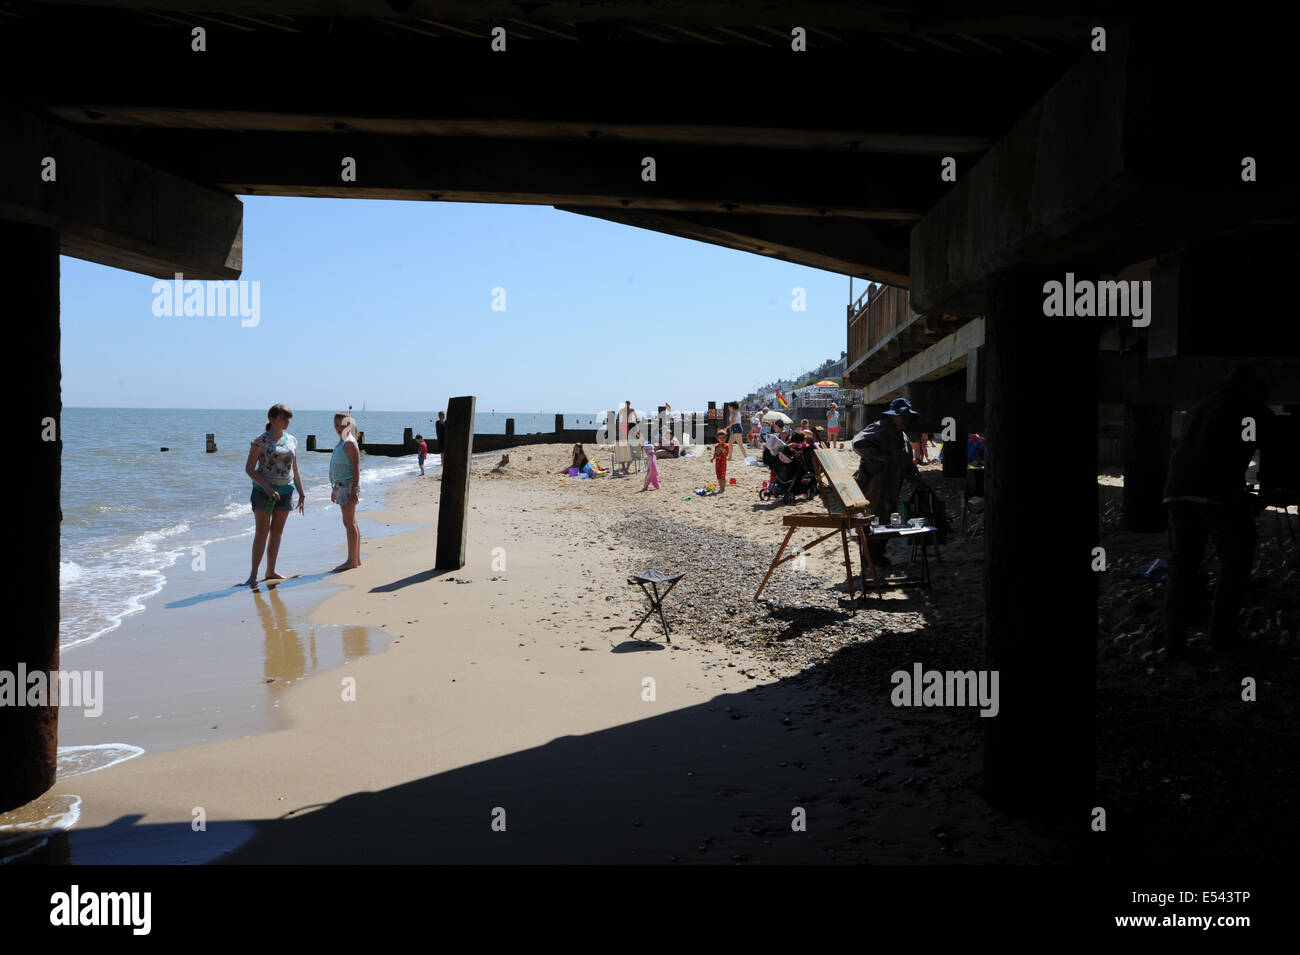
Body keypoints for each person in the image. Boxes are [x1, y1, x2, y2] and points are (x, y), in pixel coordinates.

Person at [1163, 365, 1278, 660]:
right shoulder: (1253, 408)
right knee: (1236, 558)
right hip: (1216, 493)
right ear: (1255, 390)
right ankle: (1222, 635)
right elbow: (1275, 456)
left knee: (1183, 564)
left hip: (1176, 490)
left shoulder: (1199, 407)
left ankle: (1174, 636)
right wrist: (1263, 497)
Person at [851, 398, 920, 568]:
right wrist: (876, 456)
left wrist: (916, 480)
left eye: (906, 416)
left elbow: (906, 462)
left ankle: (878, 556)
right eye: (900, 416)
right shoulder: (880, 427)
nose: (904, 419)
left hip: (892, 486)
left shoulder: (902, 436)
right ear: (892, 416)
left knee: (888, 521)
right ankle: (871, 558)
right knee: (876, 521)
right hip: (876, 484)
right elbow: (857, 443)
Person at [244, 403, 304, 586]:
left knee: (277, 532)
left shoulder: (292, 440)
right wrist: (267, 488)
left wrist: (302, 492)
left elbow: (294, 468)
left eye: (288, 419)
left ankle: (271, 571)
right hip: (264, 493)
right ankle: (253, 575)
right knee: (262, 532)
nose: (287, 422)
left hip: (286, 491)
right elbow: (249, 469)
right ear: (272, 419)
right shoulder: (260, 441)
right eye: (283, 418)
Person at [330, 413, 362, 572]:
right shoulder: (342, 441)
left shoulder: (350, 443)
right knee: (352, 521)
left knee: (349, 522)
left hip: (348, 484)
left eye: (342, 425)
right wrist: (333, 488)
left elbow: (356, 468)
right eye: (336, 425)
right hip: (341, 484)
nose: (339, 428)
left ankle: (351, 560)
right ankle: (356, 558)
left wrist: (354, 490)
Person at [713, 428, 731, 492]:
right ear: (718, 438)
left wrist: (723, 450)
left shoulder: (726, 446)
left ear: (725, 438)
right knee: (718, 476)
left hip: (723, 463)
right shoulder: (716, 446)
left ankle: (723, 489)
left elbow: (726, 454)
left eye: (723, 438)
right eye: (720, 438)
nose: (722, 439)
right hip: (717, 463)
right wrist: (713, 458)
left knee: (722, 476)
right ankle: (721, 487)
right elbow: (715, 453)